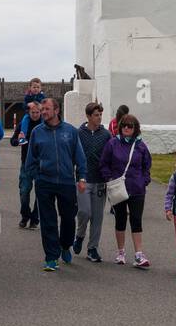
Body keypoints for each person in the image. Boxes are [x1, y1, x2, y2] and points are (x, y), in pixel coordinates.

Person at [25, 97, 87, 272]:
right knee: (48, 221)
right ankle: (51, 257)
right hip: (45, 183)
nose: (43, 112)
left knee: (68, 218)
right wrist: (37, 176)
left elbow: (79, 157)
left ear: (56, 110)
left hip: (66, 182)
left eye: (46, 109)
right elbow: (31, 159)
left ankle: (65, 245)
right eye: (42, 109)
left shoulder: (71, 131)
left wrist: (81, 177)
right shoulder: (37, 132)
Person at [99, 113, 152, 267]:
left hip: (136, 189)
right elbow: (104, 163)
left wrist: (144, 181)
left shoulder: (141, 145)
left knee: (136, 220)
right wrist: (109, 178)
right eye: (124, 125)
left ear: (135, 128)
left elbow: (146, 165)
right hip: (118, 188)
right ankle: (121, 252)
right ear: (120, 127)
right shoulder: (112, 143)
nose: (127, 128)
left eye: (130, 126)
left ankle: (138, 254)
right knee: (120, 220)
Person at [74, 101, 110, 261]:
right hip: (83, 180)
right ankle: (80, 235)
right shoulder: (79, 133)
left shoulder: (106, 135)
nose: (99, 118)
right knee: (84, 212)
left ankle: (92, 248)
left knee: (97, 217)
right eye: (96, 115)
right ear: (88, 116)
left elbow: (112, 155)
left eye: (101, 114)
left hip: (100, 181)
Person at [16, 99, 44, 229]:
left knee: (41, 193)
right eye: (33, 112)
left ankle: (35, 218)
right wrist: (17, 140)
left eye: (37, 112)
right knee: (24, 191)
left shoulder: (45, 125)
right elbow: (13, 141)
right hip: (26, 163)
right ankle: (25, 215)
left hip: (41, 164)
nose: (35, 115)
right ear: (29, 112)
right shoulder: (24, 123)